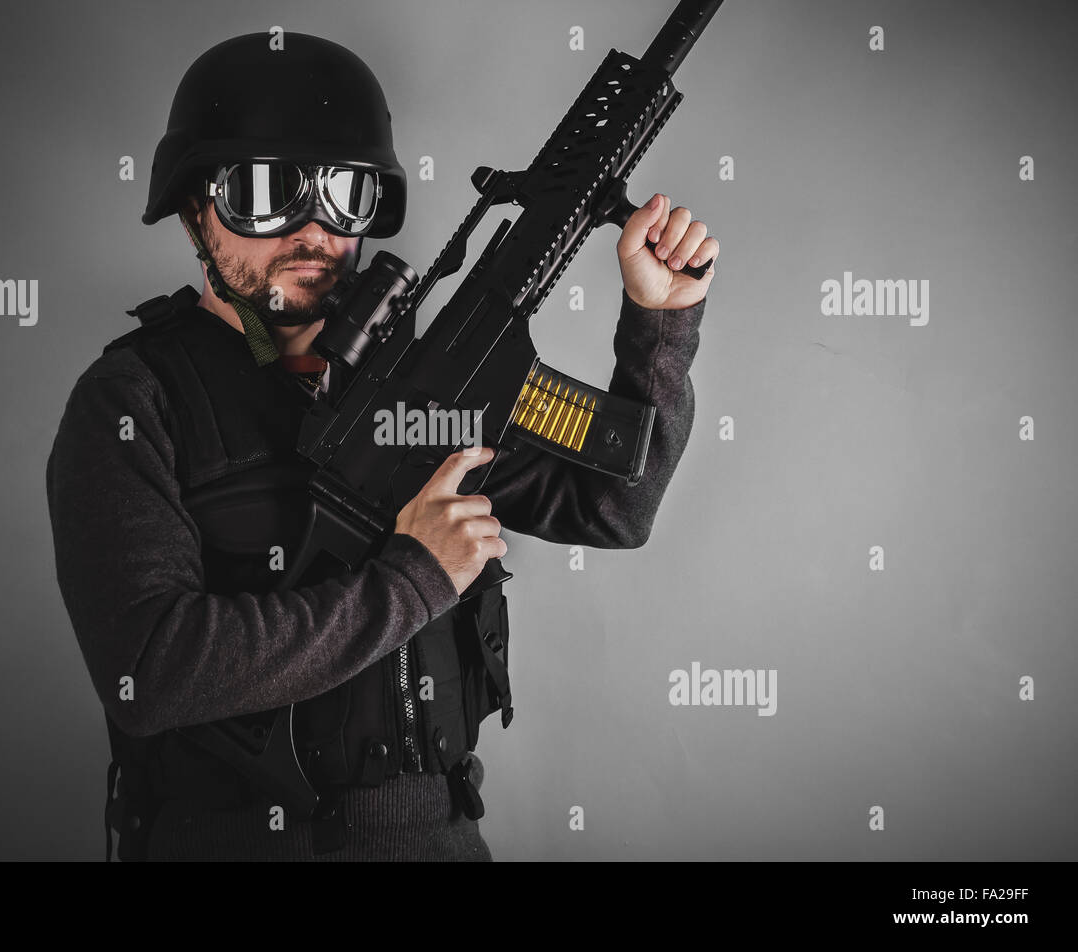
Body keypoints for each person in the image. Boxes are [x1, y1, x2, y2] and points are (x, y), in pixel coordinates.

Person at [45, 31, 716, 861]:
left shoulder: (422, 386)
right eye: (265, 192)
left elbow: (616, 507)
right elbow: (148, 670)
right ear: (195, 210)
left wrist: (661, 325)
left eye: (345, 194)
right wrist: (414, 579)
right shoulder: (135, 401)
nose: (314, 228)